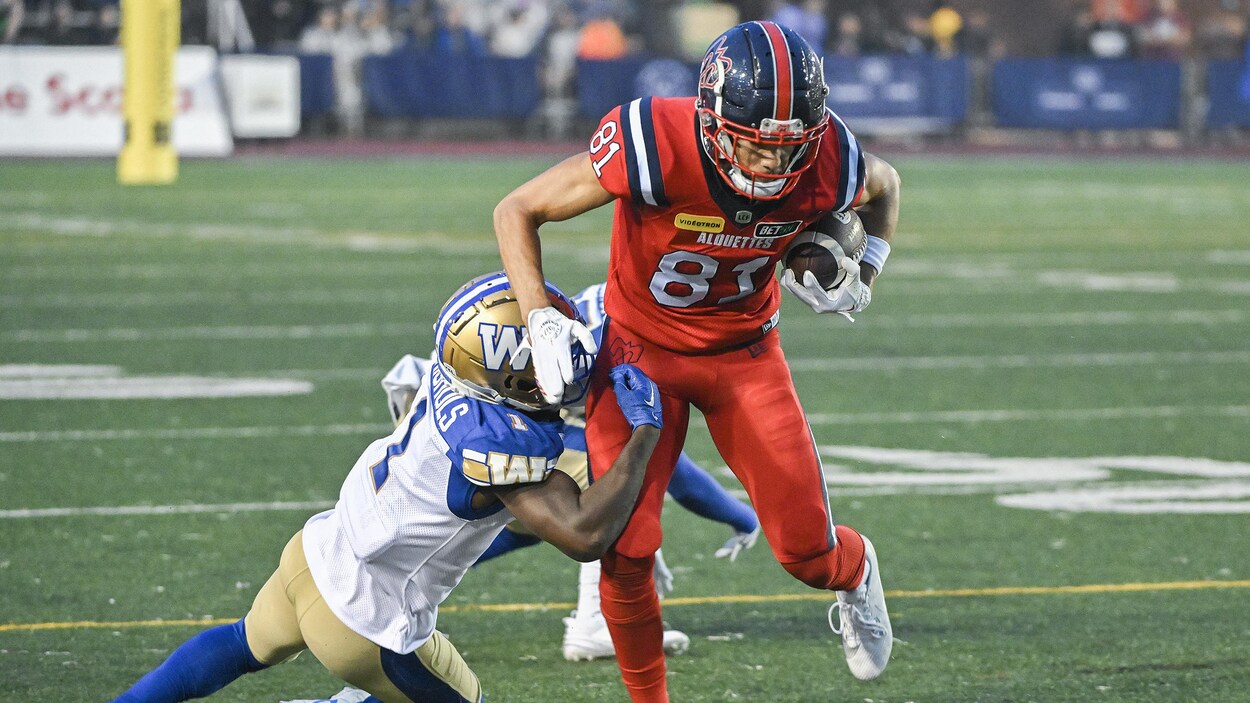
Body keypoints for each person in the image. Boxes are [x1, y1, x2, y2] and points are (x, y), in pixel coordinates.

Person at [493, 20, 899, 703]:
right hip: (636, 355)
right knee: (622, 546)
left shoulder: (830, 154)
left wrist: (868, 268)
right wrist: (538, 318)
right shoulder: (655, 140)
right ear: (712, 120)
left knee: (806, 552)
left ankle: (857, 572)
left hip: (745, 356)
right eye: (757, 146)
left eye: (789, 146)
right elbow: (518, 208)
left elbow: (885, 185)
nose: (773, 164)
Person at [108, 272, 665, 703]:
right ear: (510, 374)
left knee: (241, 643)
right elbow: (585, 535)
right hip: (367, 617)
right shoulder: (499, 443)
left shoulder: (456, 371)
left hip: (317, 552)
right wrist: (643, 434)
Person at [376, 281, 761, 663]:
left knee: (532, 512)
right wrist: (741, 517)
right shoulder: (633, 338)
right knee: (608, 478)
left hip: (455, 387)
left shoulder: (619, 299)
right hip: (481, 406)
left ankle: (395, 579)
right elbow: (669, 469)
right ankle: (597, 624)